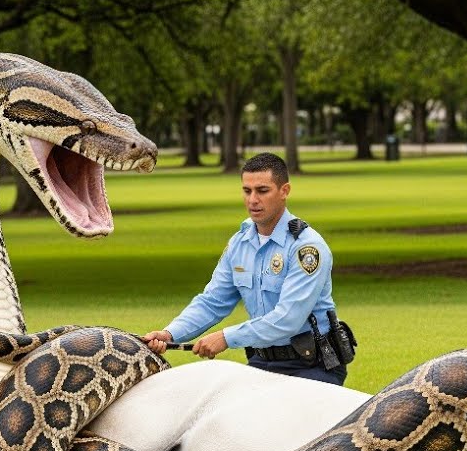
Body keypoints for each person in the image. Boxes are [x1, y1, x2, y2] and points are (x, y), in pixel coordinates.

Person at [143, 152, 352, 385]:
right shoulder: (239, 244)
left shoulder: (306, 247)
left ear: (284, 191)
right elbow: (212, 302)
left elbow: (288, 319)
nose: (253, 200)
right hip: (261, 362)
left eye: (262, 191)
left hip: (312, 365)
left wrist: (226, 337)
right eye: (247, 191)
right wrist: (170, 333)